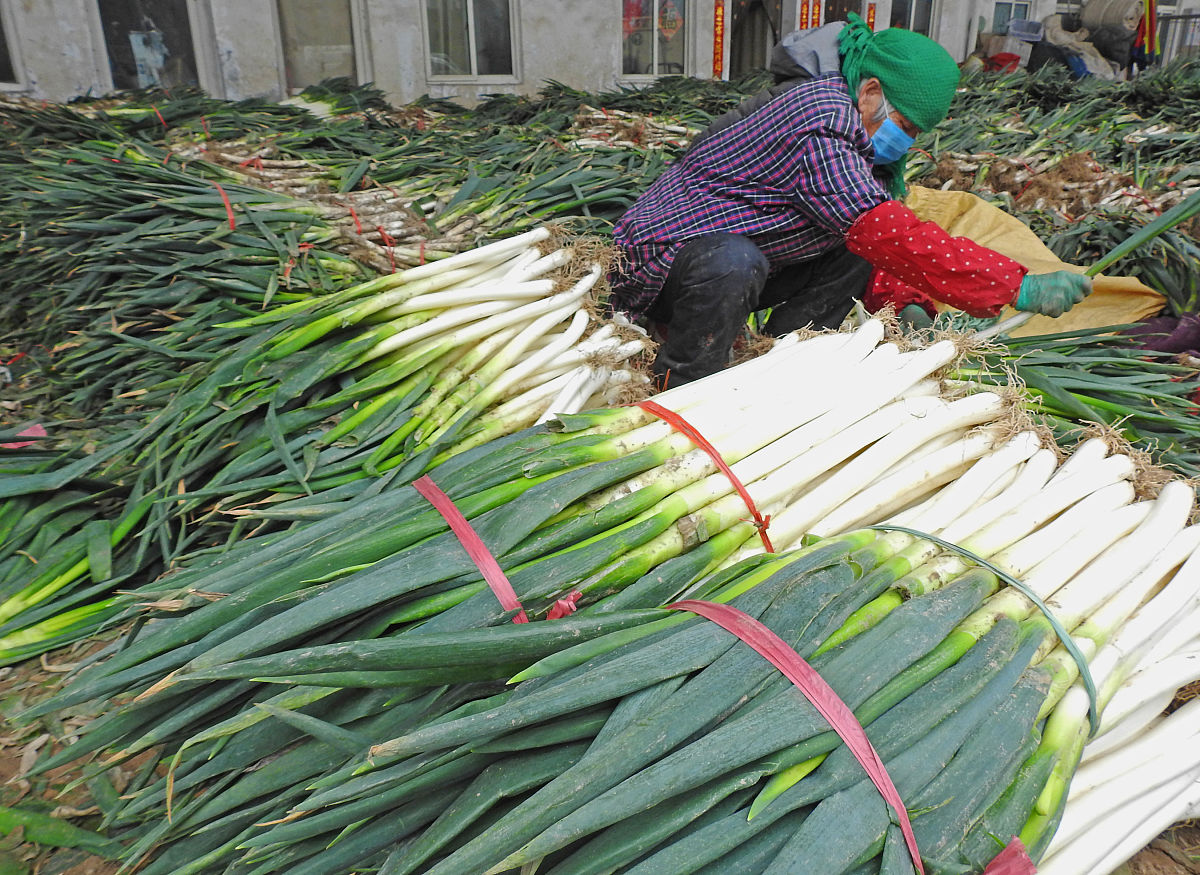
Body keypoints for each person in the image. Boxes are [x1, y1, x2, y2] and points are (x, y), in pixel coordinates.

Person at [606, 13, 1093, 384]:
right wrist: (1011, 286)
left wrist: (909, 303)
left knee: (845, 253)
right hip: (656, 266)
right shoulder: (819, 114)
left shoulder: (857, 140)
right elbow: (877, 226)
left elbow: (868, 242)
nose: (906, 142)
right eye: (904, 126)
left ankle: (773, 368)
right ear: (871, 91)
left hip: (726, 263)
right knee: (736, 260)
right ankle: (679, 389)